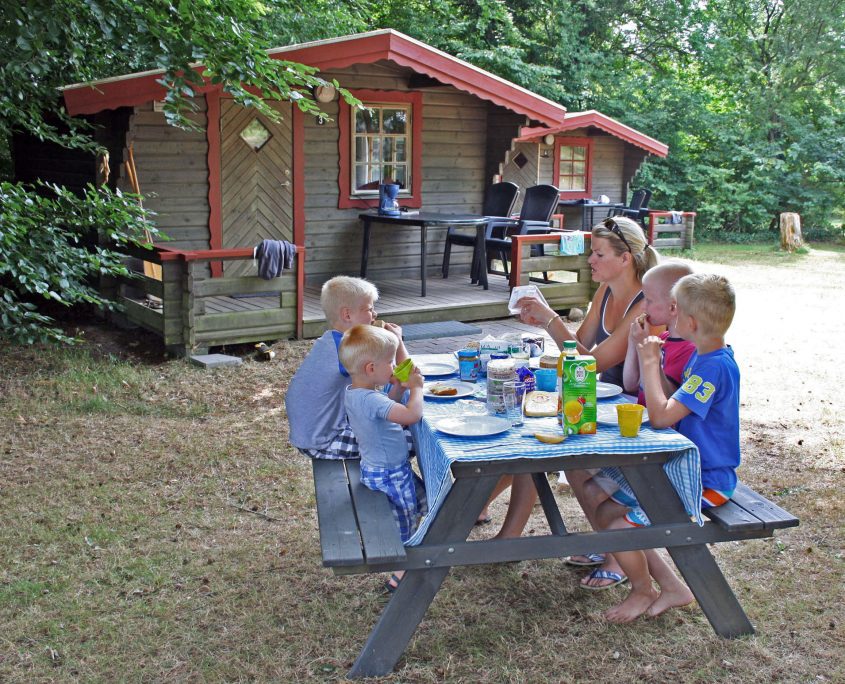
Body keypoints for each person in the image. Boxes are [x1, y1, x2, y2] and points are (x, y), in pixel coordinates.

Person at [501, 217, 660, 540]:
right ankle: (506, 535)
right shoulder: (605, 291)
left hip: (632, 410)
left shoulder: (645, 303)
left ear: (625, 258)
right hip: (600, 398)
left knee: (540, 441)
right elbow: (576, 349)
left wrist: (551, 320)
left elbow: (591, 362)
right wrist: (547, 324)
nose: (590, 260)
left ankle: (613, 551)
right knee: (531, 434)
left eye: (599, 254)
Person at [595, 272, 740, 623]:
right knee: (604, 512)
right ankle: (669, 586)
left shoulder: (713, 368)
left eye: (674, 311)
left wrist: (648, 361)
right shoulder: (703, 358)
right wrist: (650, 358)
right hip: (679, 467)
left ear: (689, 322)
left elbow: (661, 417)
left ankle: (642, 591)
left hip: (706, 480)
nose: (668, 314)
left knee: (618, 529)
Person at [577, 260, 697, 589]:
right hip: (644, 444)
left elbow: (669, 403)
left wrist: (652, 361)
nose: (642, 306)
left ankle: (639, 574)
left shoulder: (689, 352)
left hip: (666, 458)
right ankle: (618, 555)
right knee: (588, 486)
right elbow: (632, 384)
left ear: (673, 307)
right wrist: (635, 345)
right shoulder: (660, 341)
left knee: (613, 514)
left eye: (648, 300)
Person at [339, 324, 426, 591]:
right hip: (392, 475)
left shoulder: (356, 393)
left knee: (420, 505)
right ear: (370, 369)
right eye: (389, 362)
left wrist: (399, 390)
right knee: (405, 523)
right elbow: (412, 416)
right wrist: (417, 388)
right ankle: (402, 572)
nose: (392, 366)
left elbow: (386, 408)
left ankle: (418, 549)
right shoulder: (372, 400)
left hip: (376, 468)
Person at [285, 276, 408, 460]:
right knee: (409, 438)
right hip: (324, 440)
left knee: (396, 417)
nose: (375, 314)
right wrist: (398, 341)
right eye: (369, 309)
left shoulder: (333, 340)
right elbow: (406, 376)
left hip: (316, 432)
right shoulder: (349, 348)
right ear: (347, 315)